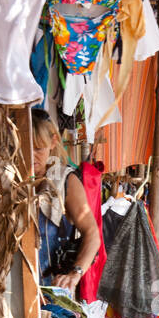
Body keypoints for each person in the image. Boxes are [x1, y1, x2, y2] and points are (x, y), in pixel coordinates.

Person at [31, 112, 102, 294]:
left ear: (53, 142)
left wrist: (75, 273)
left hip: (53, 291)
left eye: (38, 148)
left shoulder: (64, 181)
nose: (31, 155)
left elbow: (92, 233)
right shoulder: (9, 180)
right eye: (26, 147)